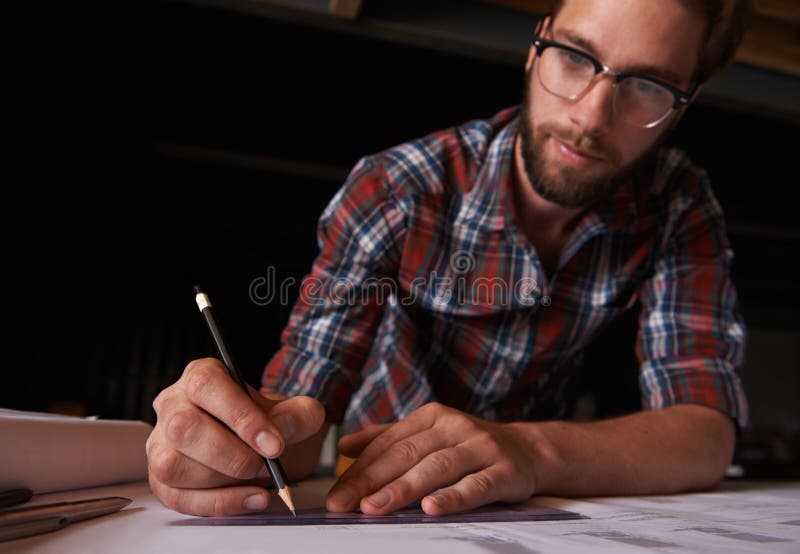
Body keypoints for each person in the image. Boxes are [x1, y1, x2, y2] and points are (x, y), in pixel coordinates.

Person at [146, 0, 753, 517]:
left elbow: (704, 433)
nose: (589, 116)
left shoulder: (678, 203)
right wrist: (241, 439)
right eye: (573, 56)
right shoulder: (394, 190)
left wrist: (528, 452)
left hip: (534, 504)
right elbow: (300, 416)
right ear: (536, 47)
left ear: (684, 101)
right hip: (382, 498)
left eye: (646, 84)